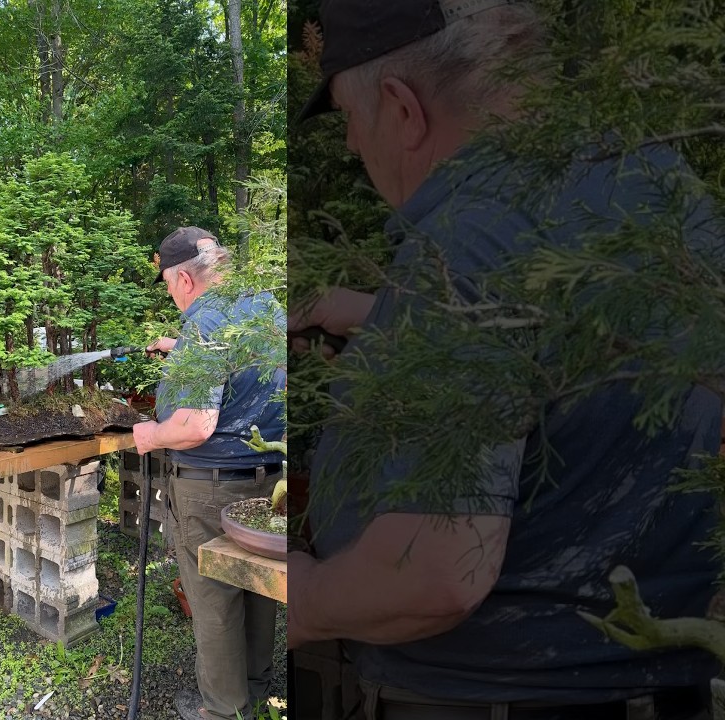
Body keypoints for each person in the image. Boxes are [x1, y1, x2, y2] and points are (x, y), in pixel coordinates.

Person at [288, 0, 721, 718]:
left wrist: (302, 597)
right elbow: (587, 354)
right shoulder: (658, 182)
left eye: (349, 119)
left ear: (402, 109)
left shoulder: (468, 238)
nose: (352, 145)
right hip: (663, 691)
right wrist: (384, 319)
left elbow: (434, 575)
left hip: (490, 698)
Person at [130, 226, 287, 720]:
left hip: (209, 489)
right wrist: (179, 346)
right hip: (270, 480)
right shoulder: (265, 306)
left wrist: (149, 435)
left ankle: (222, 711)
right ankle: (255, 692)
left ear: (184, 279)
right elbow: (239, 364)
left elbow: (196, 425)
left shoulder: (203, 323)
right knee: (258, 589)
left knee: (215, 601)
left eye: (168, 285)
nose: (172, 295)